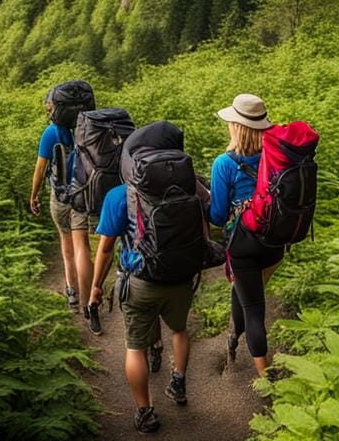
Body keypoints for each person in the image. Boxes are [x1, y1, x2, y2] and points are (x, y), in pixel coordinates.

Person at [91, 121, 202, 434]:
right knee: (179, 330)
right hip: (181, 277)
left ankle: (145, 412)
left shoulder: (119, 195)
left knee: (135, 348)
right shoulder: (193, 187)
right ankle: (178, 383)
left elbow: (106, 249)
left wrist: (96, 287)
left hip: (140, 281)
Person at [210, 93, 283, 378]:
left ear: (235, 126)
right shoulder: (276, 158)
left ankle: (265, 378)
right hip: (274, 245)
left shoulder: (224, 163)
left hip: (243, 246)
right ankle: (234, 336)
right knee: (246, 291)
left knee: (253, 308)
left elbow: (218, 216)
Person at [28, 82, 96, 329]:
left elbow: (40, 170)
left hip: (60, 197)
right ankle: (91, 303)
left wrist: (33, 196)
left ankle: (72, 295)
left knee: (67, 248)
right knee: (82, 247)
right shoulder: (89, 128)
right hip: (83, 195)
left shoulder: (52, 133)